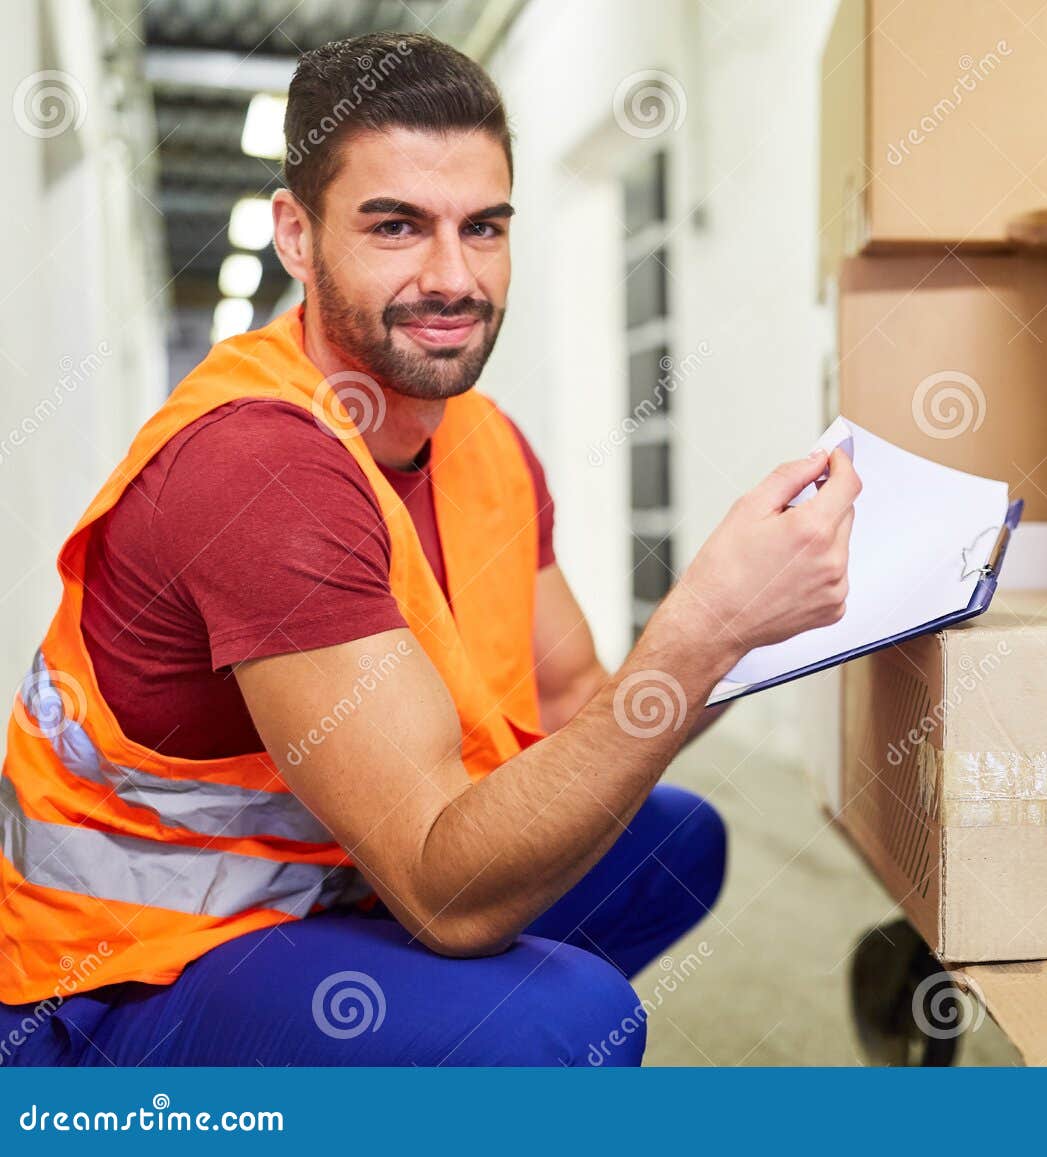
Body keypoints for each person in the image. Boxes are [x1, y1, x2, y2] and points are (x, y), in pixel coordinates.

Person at [0, 32, 858, 1067]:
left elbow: (581, 701)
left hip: (326, 887)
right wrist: (704, 623)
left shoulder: (483, 444)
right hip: (121, 977)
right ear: (297, 235)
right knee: (565, 1019)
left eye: (483, 227)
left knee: (670, 843)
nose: (453, 277)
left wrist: (744, 637)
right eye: (397, 226)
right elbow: (442, 892)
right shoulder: (256, 468)